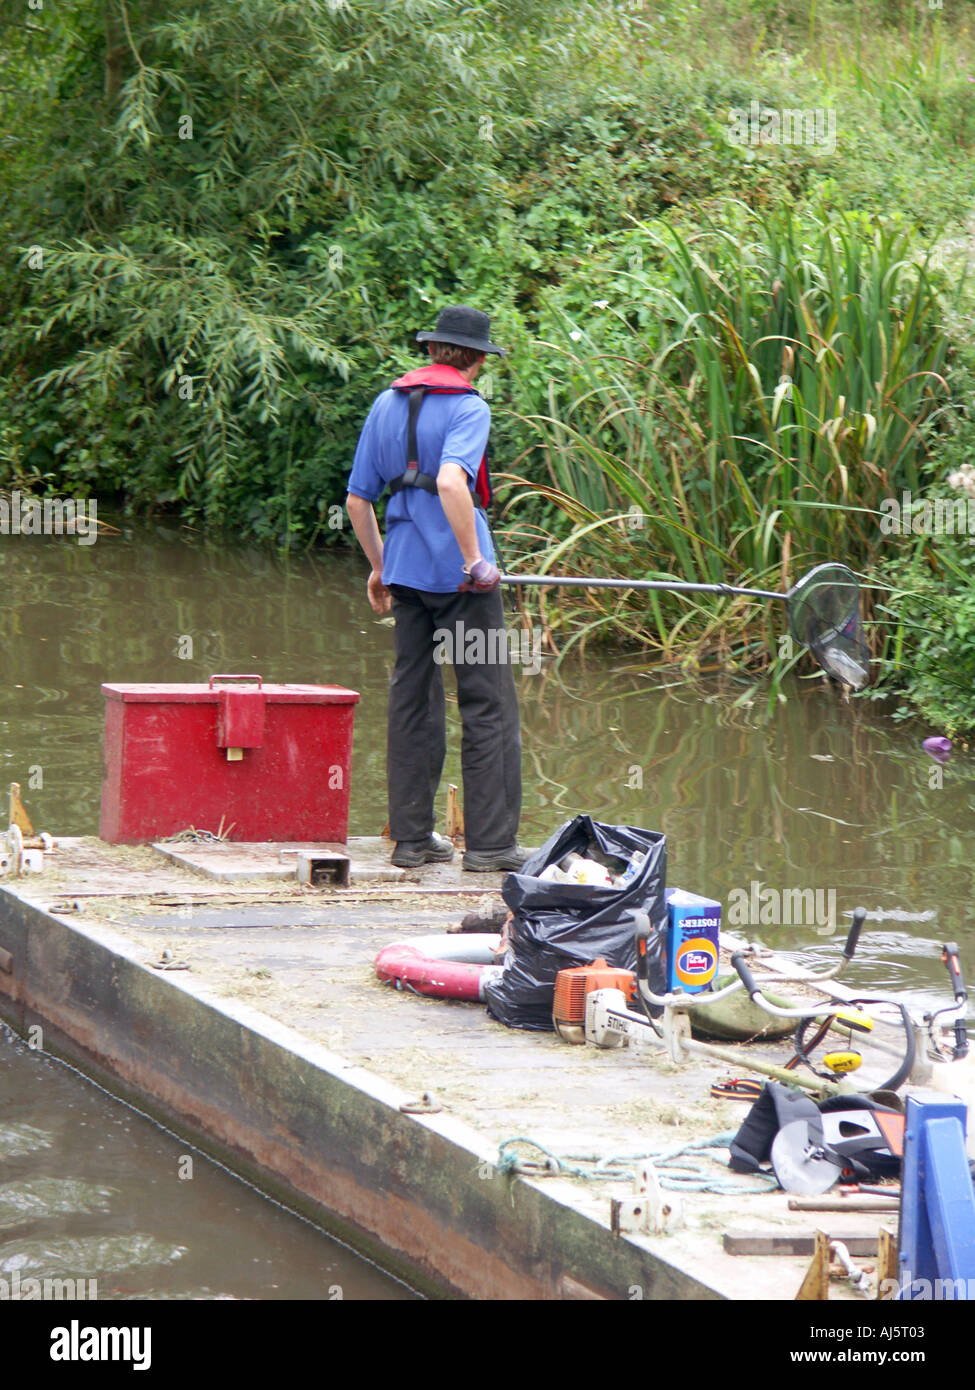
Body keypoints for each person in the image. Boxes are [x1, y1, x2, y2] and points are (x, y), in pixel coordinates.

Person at [346, 305, 526, 872]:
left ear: (432, 351)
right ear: (476, 359)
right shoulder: (470, 408)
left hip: (406, 578)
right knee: (487, 701)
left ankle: (412, 841)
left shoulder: (386, 402)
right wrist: (475, 561)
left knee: (412, 699)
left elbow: (358, 499)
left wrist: (379, 567)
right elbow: (451, 480)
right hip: (461, 583)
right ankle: (492, 847)